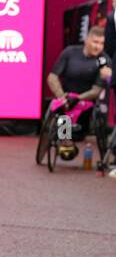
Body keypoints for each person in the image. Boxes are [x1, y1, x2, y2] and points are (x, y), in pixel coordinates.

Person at [45, 25, 112, 160]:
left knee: (79, 117)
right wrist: (62, 96)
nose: (98, 46)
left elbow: (96, 90)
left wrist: (78, 99)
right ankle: (65, 140)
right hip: (64, 98)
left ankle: (73, 136)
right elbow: (52, 77)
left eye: (101, 43)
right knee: (64, 109)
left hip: (86, 102)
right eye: (95, 42)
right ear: (86, 40)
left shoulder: (103, 61)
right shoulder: (70, 52)